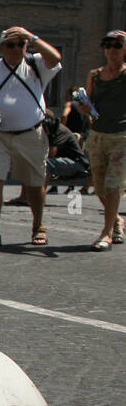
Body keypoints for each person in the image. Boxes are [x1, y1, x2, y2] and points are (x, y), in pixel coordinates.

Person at [0, 27, 62, 248]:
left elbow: (55, 58)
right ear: (1, 48)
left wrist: (32, 36)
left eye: (21, 44)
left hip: (31, 133)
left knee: (34, 184)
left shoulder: (36, 64)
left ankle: (38, 227)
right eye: (11, 44)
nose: (16, 48)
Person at [76, 29, 126, 251]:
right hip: (97, 135)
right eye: (108, 45)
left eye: (117, 45)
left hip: (122, 137)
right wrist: (85, 108)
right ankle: (116, 221)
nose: (111, 50)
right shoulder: (95, 75)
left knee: (113, 184)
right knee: (99, 187)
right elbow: (89, 107)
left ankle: (105, 233)